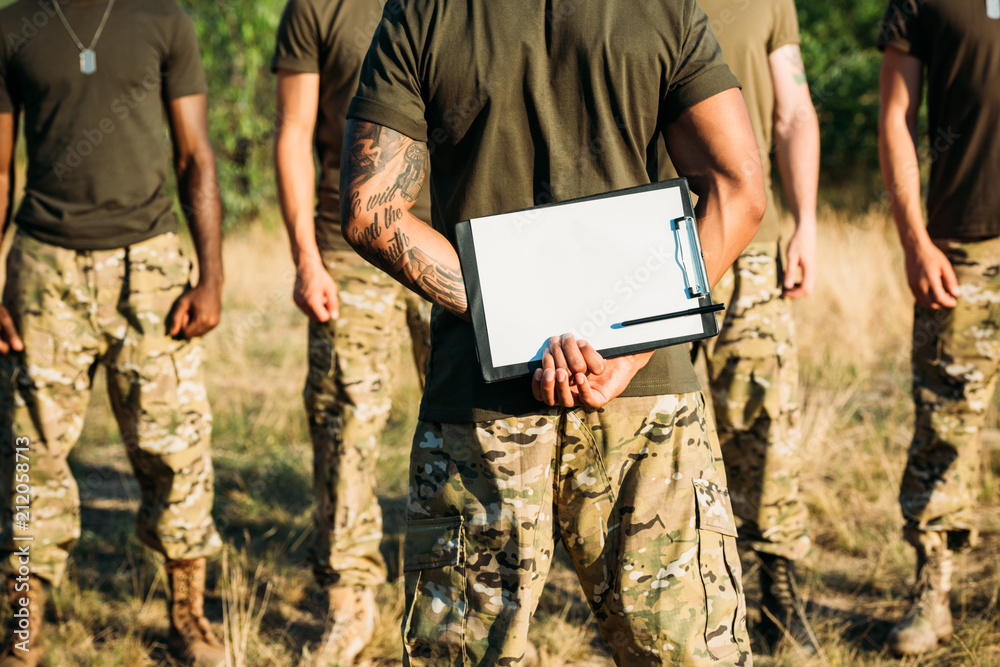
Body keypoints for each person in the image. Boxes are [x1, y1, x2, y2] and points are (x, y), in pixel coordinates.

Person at [341, 2, 766, 664]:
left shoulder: (422, 12)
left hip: (479, 397)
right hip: (644, 397)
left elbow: (371, 212)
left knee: (462, 655)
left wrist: (522, 321)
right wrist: (627, 347)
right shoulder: (666, 8)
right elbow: (740, 191)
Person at [0, 1, 226, 665]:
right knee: (26, 455)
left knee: (177, 447)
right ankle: (21, 626)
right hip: (45, 265)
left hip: (150, 266)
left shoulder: (164, 21)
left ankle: (190, 619)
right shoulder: (13, 29)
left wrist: (211, 276)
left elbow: (195, 155)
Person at [271, 0, 432, 663]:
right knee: (345, 423)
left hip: (451, 243)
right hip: (349, 245)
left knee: (481, 424)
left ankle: (487, 596)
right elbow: (294, 131)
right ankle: (347, 603)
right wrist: (306, 256)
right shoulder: (315, 7)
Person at [659, 0, 821, 654]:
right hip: (653, 239)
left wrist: (806, 219)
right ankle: (676, 596)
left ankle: (778, 592)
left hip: (749, 239)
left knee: (764, 421)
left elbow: (793, 110)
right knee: (661, 428)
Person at [877, 0, 1000, 657]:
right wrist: (914, 239)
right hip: (961, 247)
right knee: (943, 424)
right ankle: (934, 588)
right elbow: (895, 118)